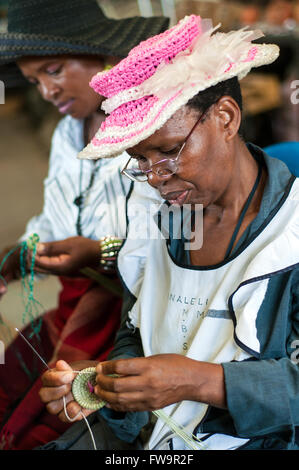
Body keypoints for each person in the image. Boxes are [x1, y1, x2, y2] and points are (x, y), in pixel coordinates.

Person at [39, 15, 299, 450]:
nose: (155, 177)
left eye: (168, 152)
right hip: (148, 433)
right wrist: (114, 386)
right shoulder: (158, 215)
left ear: (226, 117)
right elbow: (136, 327)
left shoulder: (289, 234)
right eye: (140, 159)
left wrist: (200, 381)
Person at [0, 0, 168, 450]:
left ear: (99, 53)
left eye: (54, 70)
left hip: (132, 314)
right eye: (35, 81)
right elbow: (52, 214)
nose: (46, 92)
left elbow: (176, 236)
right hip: (76, 303)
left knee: (47, 418)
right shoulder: (66, 133)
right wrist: (21, 256)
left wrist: (102, 252)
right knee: (11, 378)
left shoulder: (151, 132)